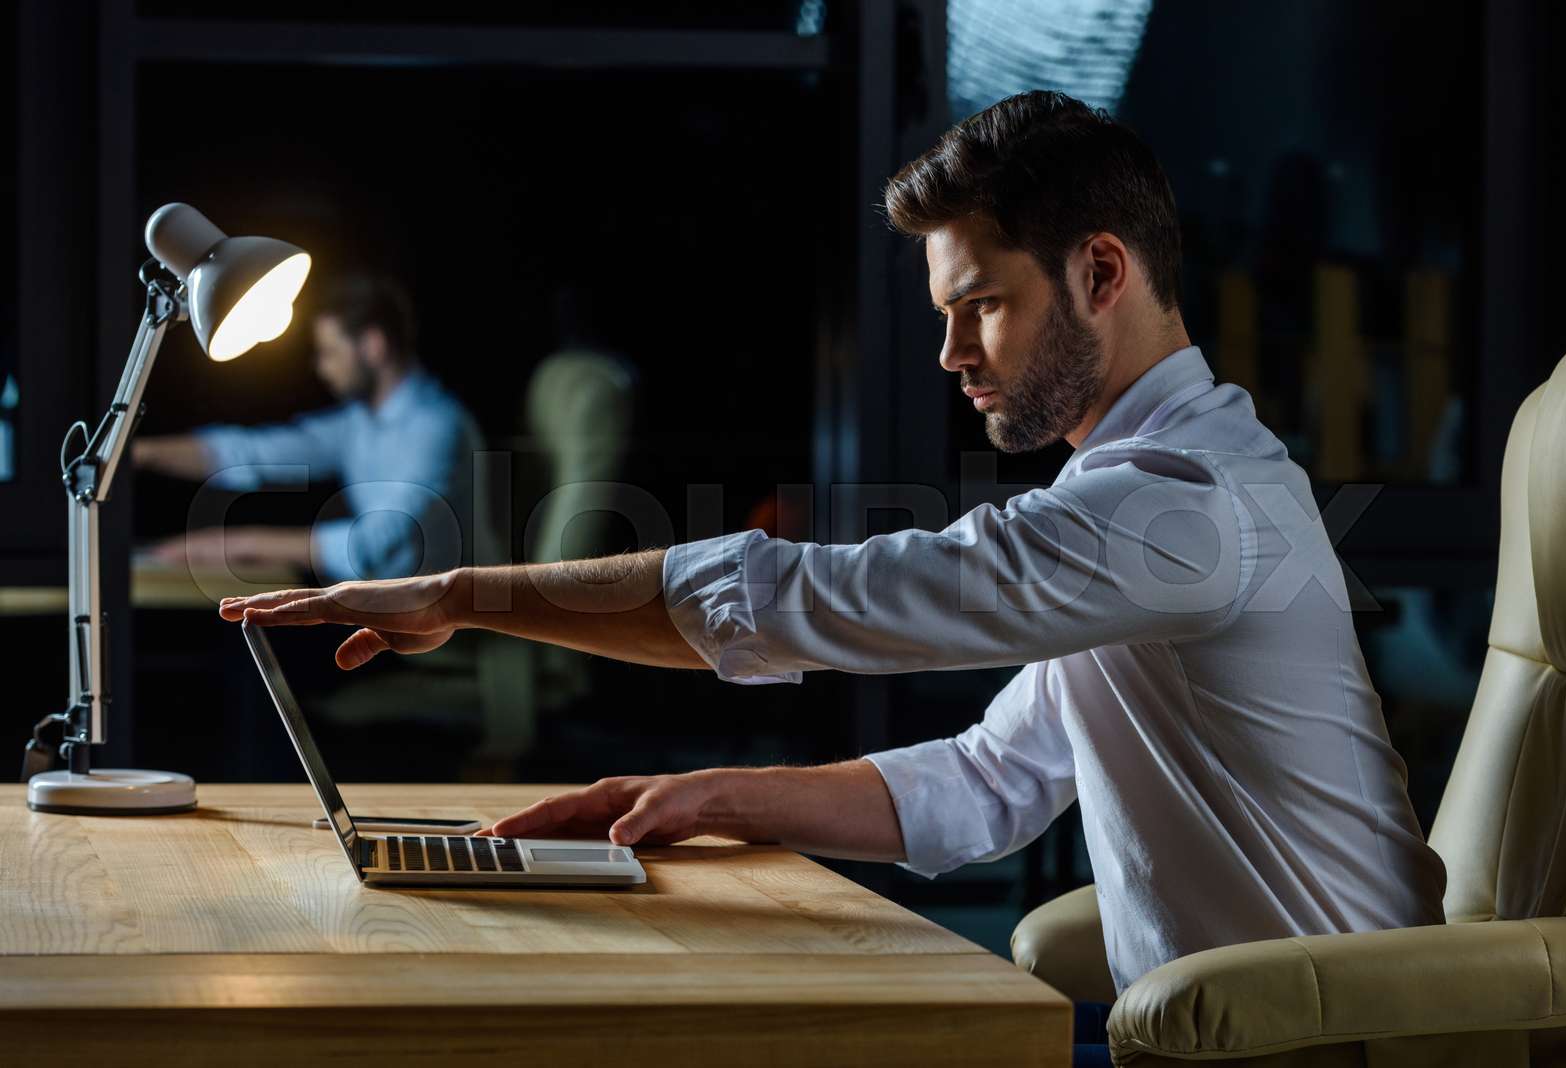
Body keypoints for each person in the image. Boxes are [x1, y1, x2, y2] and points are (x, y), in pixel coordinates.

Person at [219, 93, 1447, 1050]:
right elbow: (986, 781)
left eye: (981, 308)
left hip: (1315, 1045)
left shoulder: (1183, 511)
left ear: (1101, 273)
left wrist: (460, 595)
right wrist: (701, 794)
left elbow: (808, 598)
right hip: (1248, 1029)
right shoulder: (1160, 491)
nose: (951, 355)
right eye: (941, 315)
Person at [136, 275, 483, 582]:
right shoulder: (358, 423)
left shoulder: (437, 427)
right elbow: (253, 453)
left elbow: (370, 545)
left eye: (329, 352)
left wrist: (233, 545)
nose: (321, 367)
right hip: (394, 616)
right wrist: (141, 454)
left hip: (452, 626)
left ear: (374, 345)